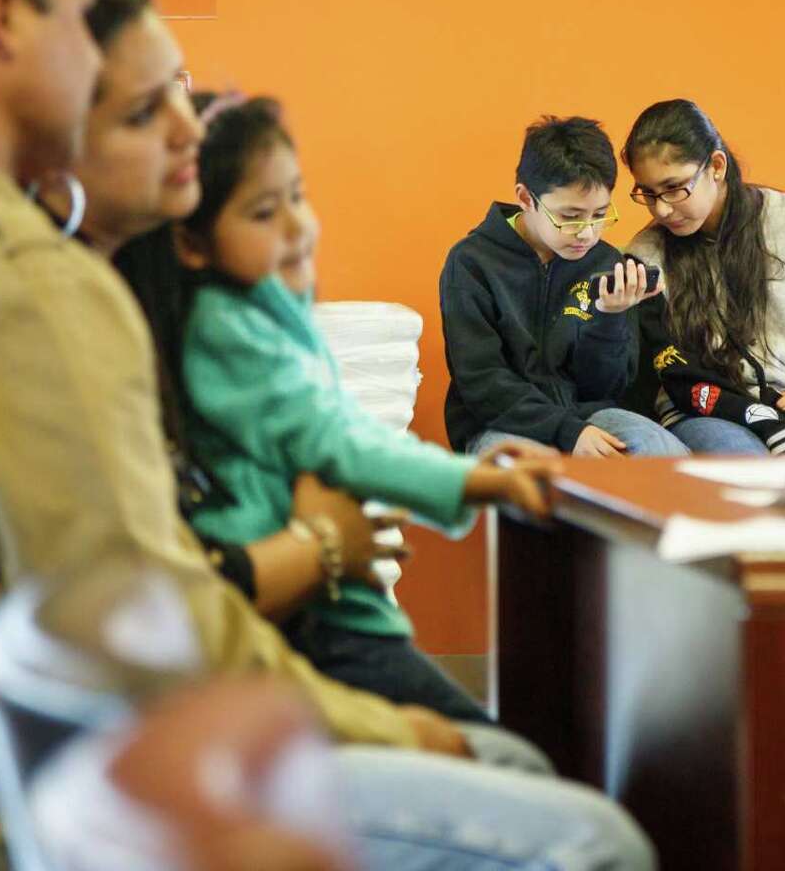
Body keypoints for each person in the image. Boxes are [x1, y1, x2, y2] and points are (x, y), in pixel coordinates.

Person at [0, 0, 652, 869]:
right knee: (588, 834)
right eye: (79, 16)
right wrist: (401, 721)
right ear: (9, 14)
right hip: (58, 800)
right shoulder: (19, 284)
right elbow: (152, 640)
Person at [63, 0, 492, 727]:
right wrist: (326, 543)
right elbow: (150, 605)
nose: (190, 128)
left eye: (182, 91)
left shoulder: (203, 304)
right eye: (144, 109)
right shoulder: (92, 319)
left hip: (267, 664)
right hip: (210, 707)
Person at [142, 93, 560, 724]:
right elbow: (337, 438)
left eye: (297, 196)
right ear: (192, 245)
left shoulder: (262, 307)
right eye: (263, 211)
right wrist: (478, 480)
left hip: (322, 600)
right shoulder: (225, 327)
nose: (298, 225)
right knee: (493, 748)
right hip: (312, 617)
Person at [622, 99, 785, 454]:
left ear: (716, 165)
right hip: (713, 415)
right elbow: (678, 377)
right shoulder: (644, 259)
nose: (662, 209)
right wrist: (762, 418)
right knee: (751, 465)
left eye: (674, 188)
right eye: (649, 193)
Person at [439, 116, 685, 458]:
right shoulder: (472, 263)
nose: (586, 232)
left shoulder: (607, 263)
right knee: (526, 472)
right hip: (503, 424)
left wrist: (609, 318)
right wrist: (567, 432)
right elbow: (482, 382)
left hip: (589, 416)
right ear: (526, 198)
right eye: (570, 217)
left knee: (661, 452)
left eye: (599, 214)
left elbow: (606, 389)